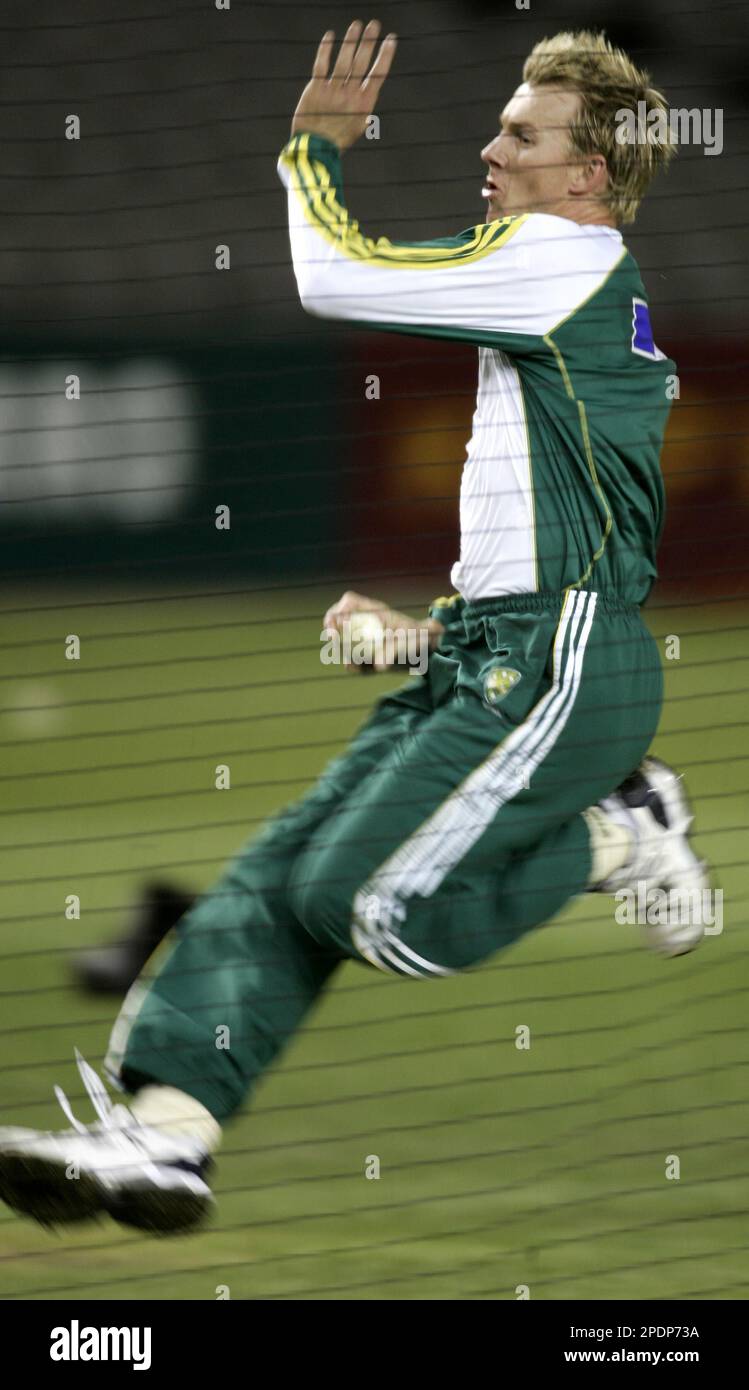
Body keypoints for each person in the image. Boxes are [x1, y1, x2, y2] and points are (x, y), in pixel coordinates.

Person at [0, 22, 709, 1236]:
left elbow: (335, 275)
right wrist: (432, 632)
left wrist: (311, 152)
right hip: (504, 650)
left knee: (368, 905)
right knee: (273, 880)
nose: (488, 148)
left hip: (559, 660)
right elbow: (544, 527)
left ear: (587, 174)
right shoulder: (555, 283)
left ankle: (616, 831)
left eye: (520, 134)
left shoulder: (558, 257)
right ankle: (164, 1139)